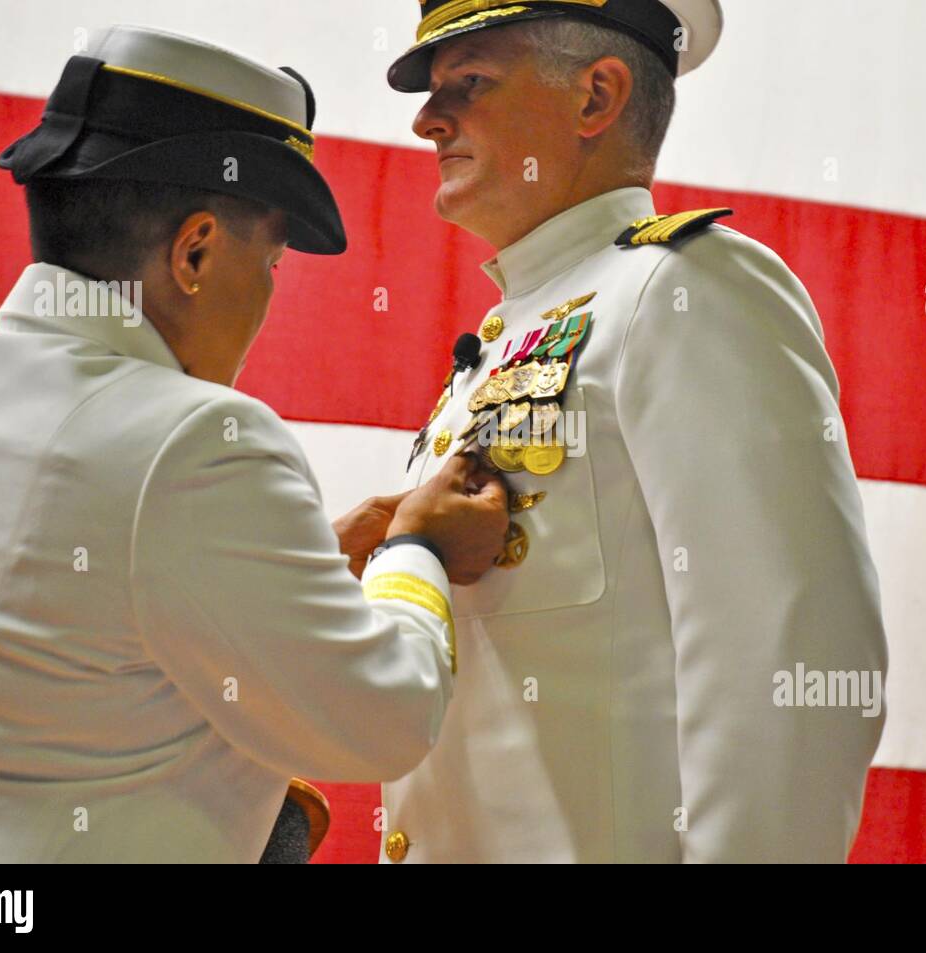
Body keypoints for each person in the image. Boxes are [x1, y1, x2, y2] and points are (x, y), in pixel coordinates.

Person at [0, 24, 508, 863]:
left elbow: (85, 632)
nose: (268, 297)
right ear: (196, 251)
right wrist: (415, 551)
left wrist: (314, 557)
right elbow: (382, 720)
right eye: (274, 263)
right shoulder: (196, 439)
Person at [378, 1, 889, 862]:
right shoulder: (505, 338)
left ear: (596, 98)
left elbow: (791, 667)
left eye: (469, 84)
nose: (429, 119)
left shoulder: (681, 293)